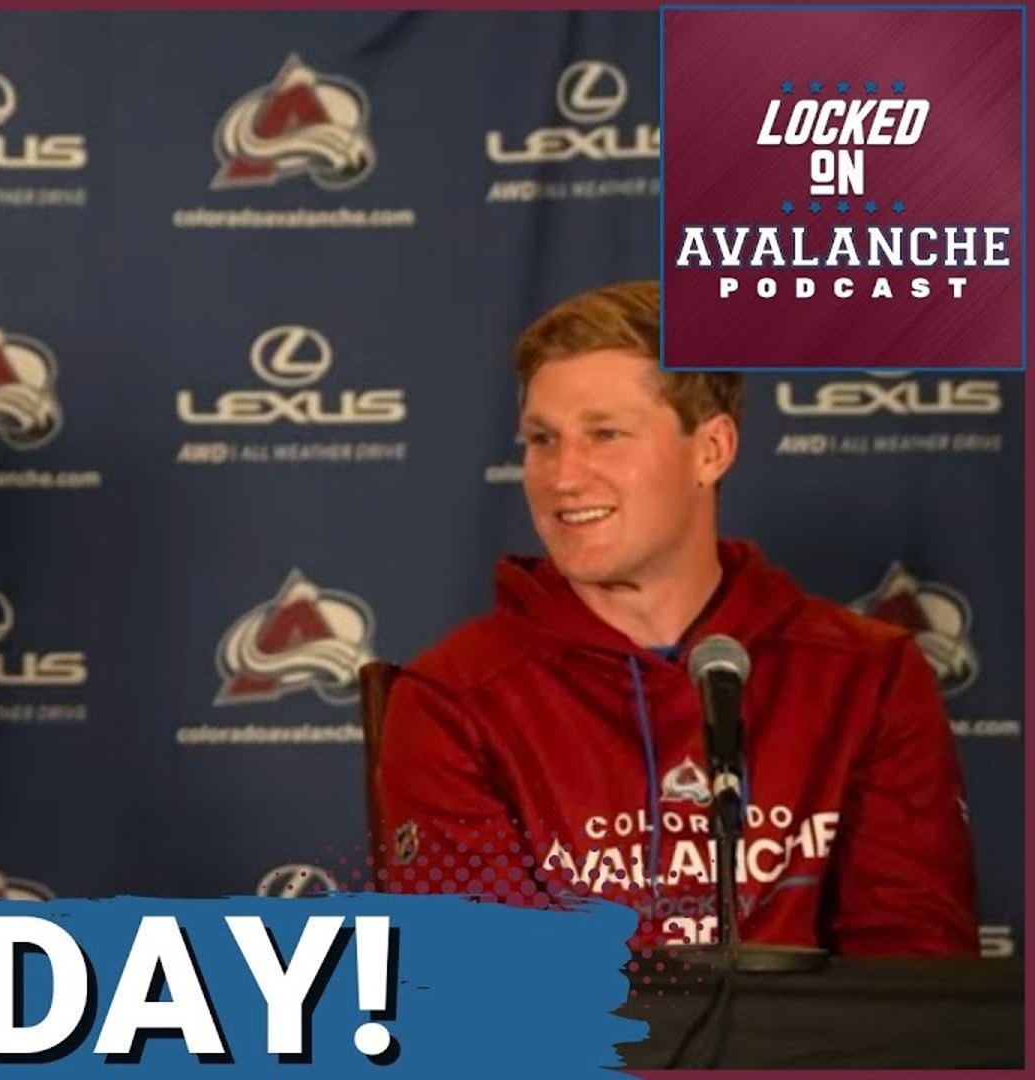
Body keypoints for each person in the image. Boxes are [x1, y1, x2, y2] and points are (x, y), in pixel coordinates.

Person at [375, 280, 977, 955]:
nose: (563, 476)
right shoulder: (452, 698)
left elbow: (912, 980)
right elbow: (486, 991)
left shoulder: (869, 675)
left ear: (712, 450)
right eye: (542, 440)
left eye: (605, 435)